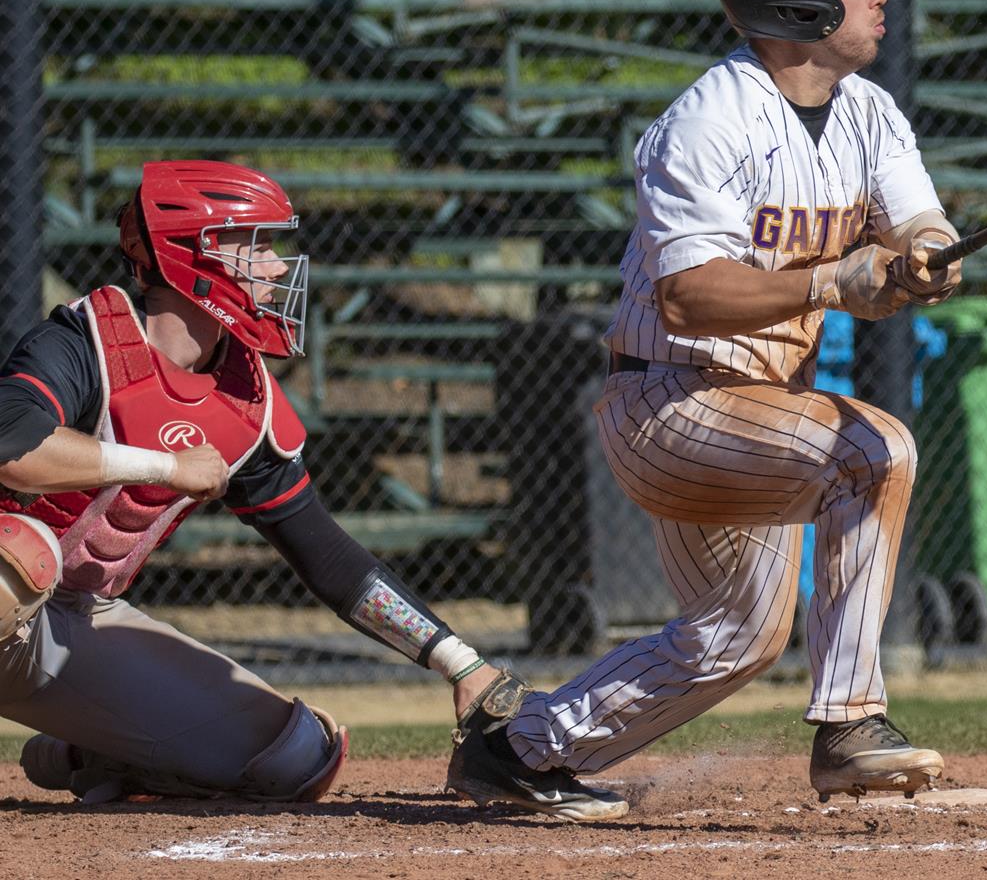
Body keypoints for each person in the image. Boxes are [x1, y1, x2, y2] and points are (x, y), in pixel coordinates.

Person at [448, 0, 963, 812]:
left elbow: (914, 217)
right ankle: (849, 721)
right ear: (799, 2)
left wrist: (923, 254)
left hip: (767, 409)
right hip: (671, 404)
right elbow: (689, 294)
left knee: (737, 636)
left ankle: (522, 750)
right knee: (875, 452)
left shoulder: (870, 113)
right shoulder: (709, 120)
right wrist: (833, 282)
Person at [0, 160, 623, 821]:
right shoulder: (85, 342)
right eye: (257, 244)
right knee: (25, 548)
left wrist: (460, 664)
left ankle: (90, 751)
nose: (275, 266)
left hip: (73, 622)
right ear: (193, 253)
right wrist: (162, 467)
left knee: (295, 756)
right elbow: (12, 450)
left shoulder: (244, 398)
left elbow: (327, 557)